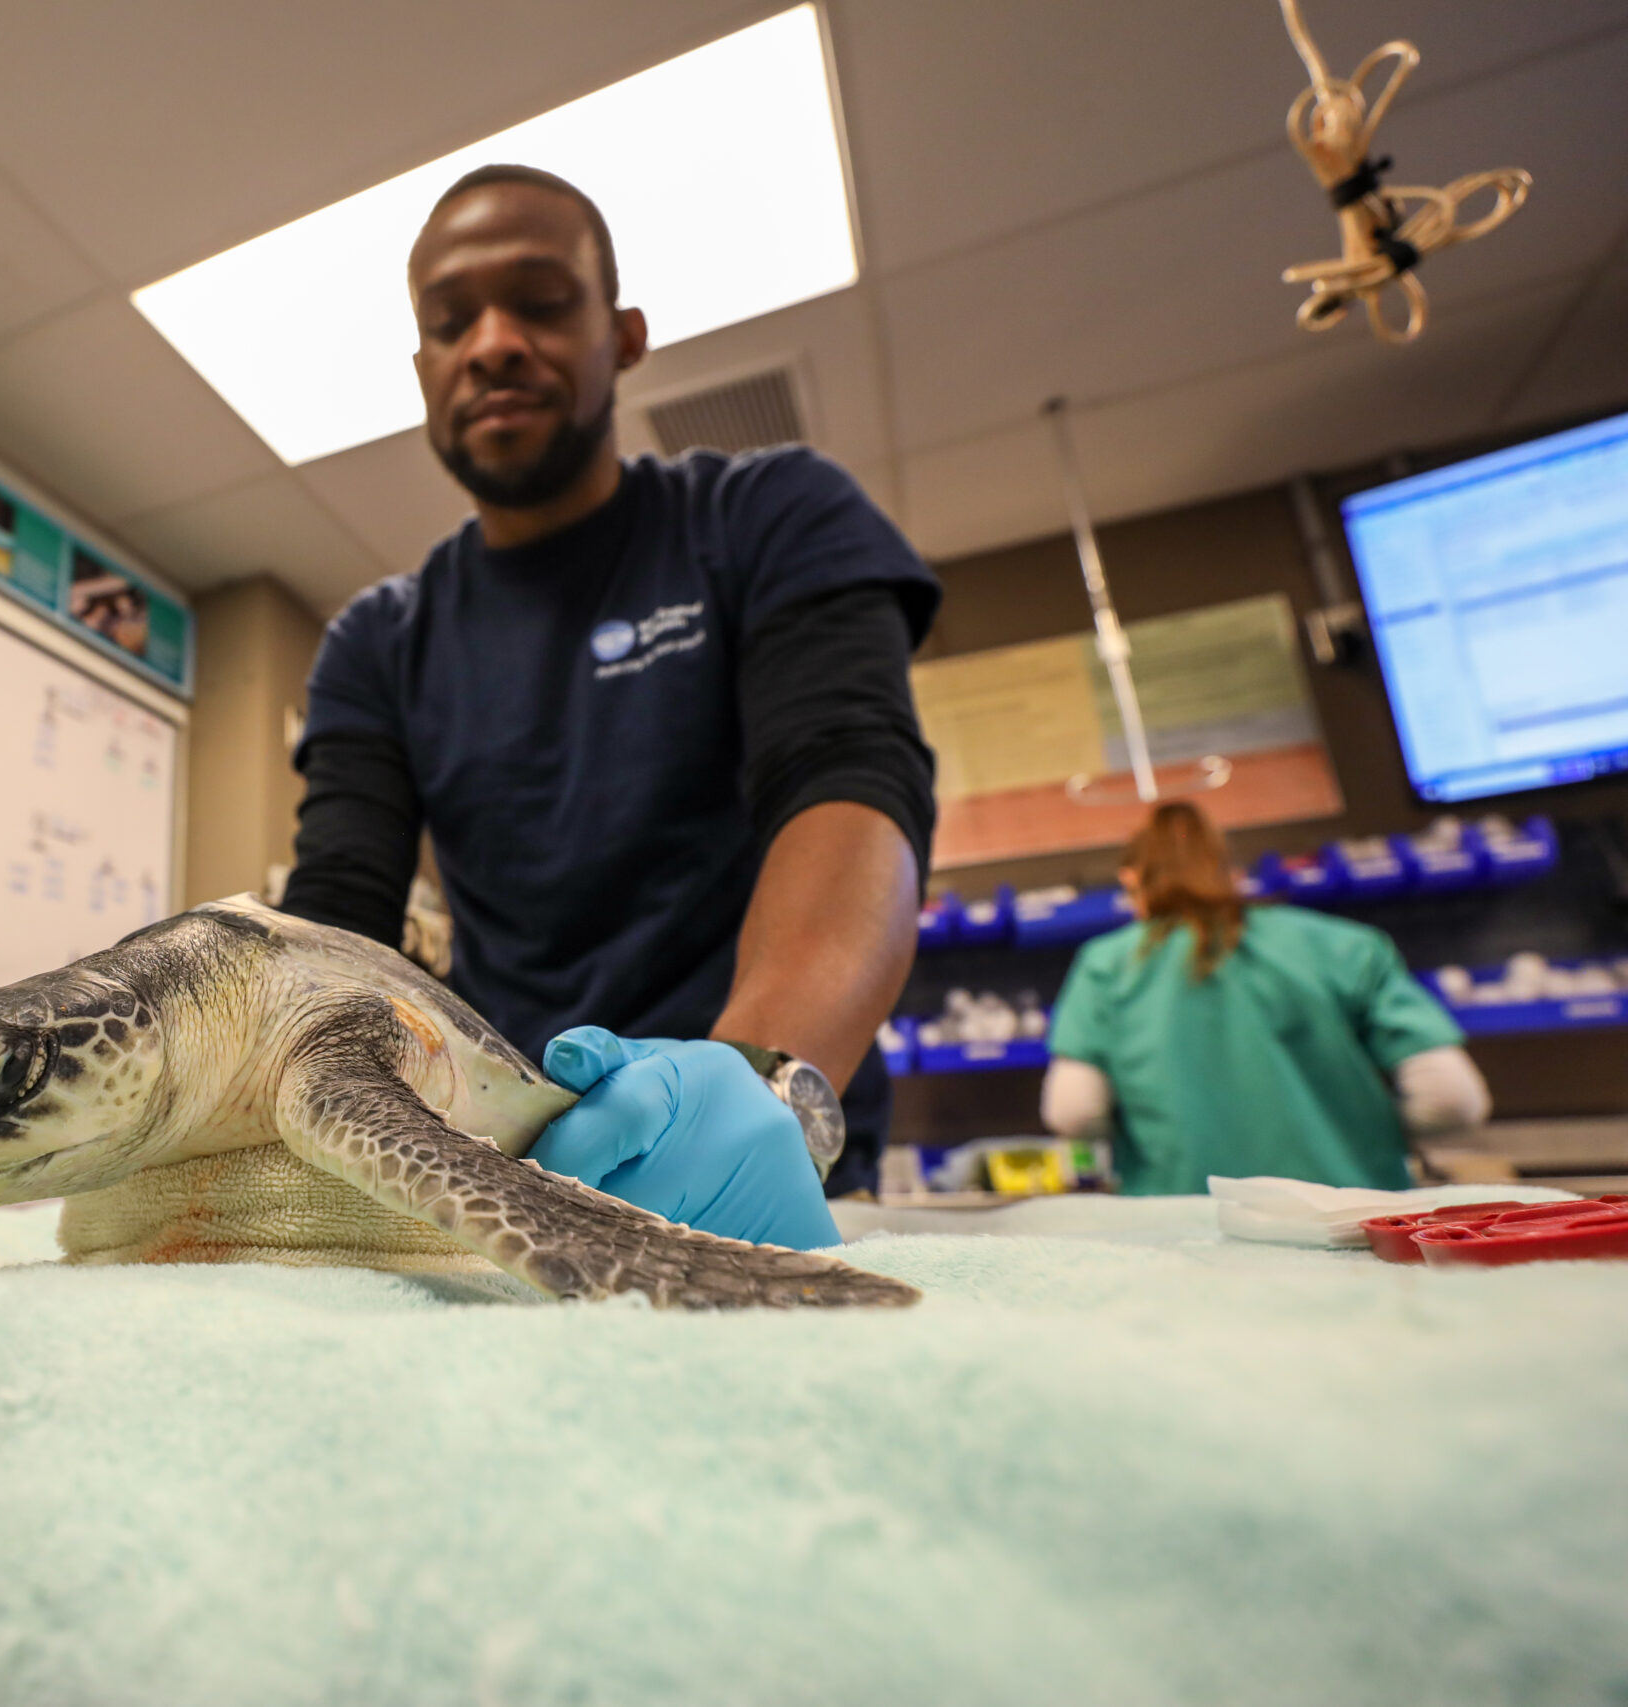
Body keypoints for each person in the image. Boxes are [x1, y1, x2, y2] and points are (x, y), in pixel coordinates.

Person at [276, 165, 941, 1249]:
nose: (491, 342)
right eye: (450, 323)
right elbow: (335, 918)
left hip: (780, 1172)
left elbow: (848, 781)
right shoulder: (377, 642)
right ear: (423, 368)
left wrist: (750, 1091)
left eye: (539, 302)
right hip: (503, 1177)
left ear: (624, 335)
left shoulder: (769, 516)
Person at [1042, 802, 1491, 1192]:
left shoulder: (1108, 963)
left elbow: (1074, 1112)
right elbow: (1453, 1099)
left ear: (1132, 879)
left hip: (1184, 1226)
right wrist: (1360, 1132)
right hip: (1350, 1218)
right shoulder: (1343, 946)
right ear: (1231, 875)